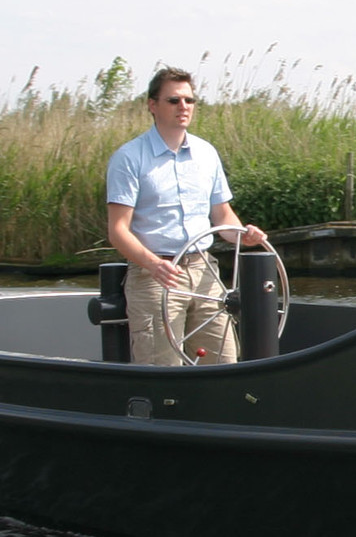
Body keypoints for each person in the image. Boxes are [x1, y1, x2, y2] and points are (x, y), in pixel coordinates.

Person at [104, 67, 267, 365]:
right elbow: (118, 231)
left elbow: (223, 217)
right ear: (152, 105)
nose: (184, 107)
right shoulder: (128, 158)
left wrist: (245, 235)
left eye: (189, 100)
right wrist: (154, 265)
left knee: (224, 365)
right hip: (154, 276)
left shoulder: (207, 154)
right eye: (174, 100)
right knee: (161, 370)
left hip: (205, 271)